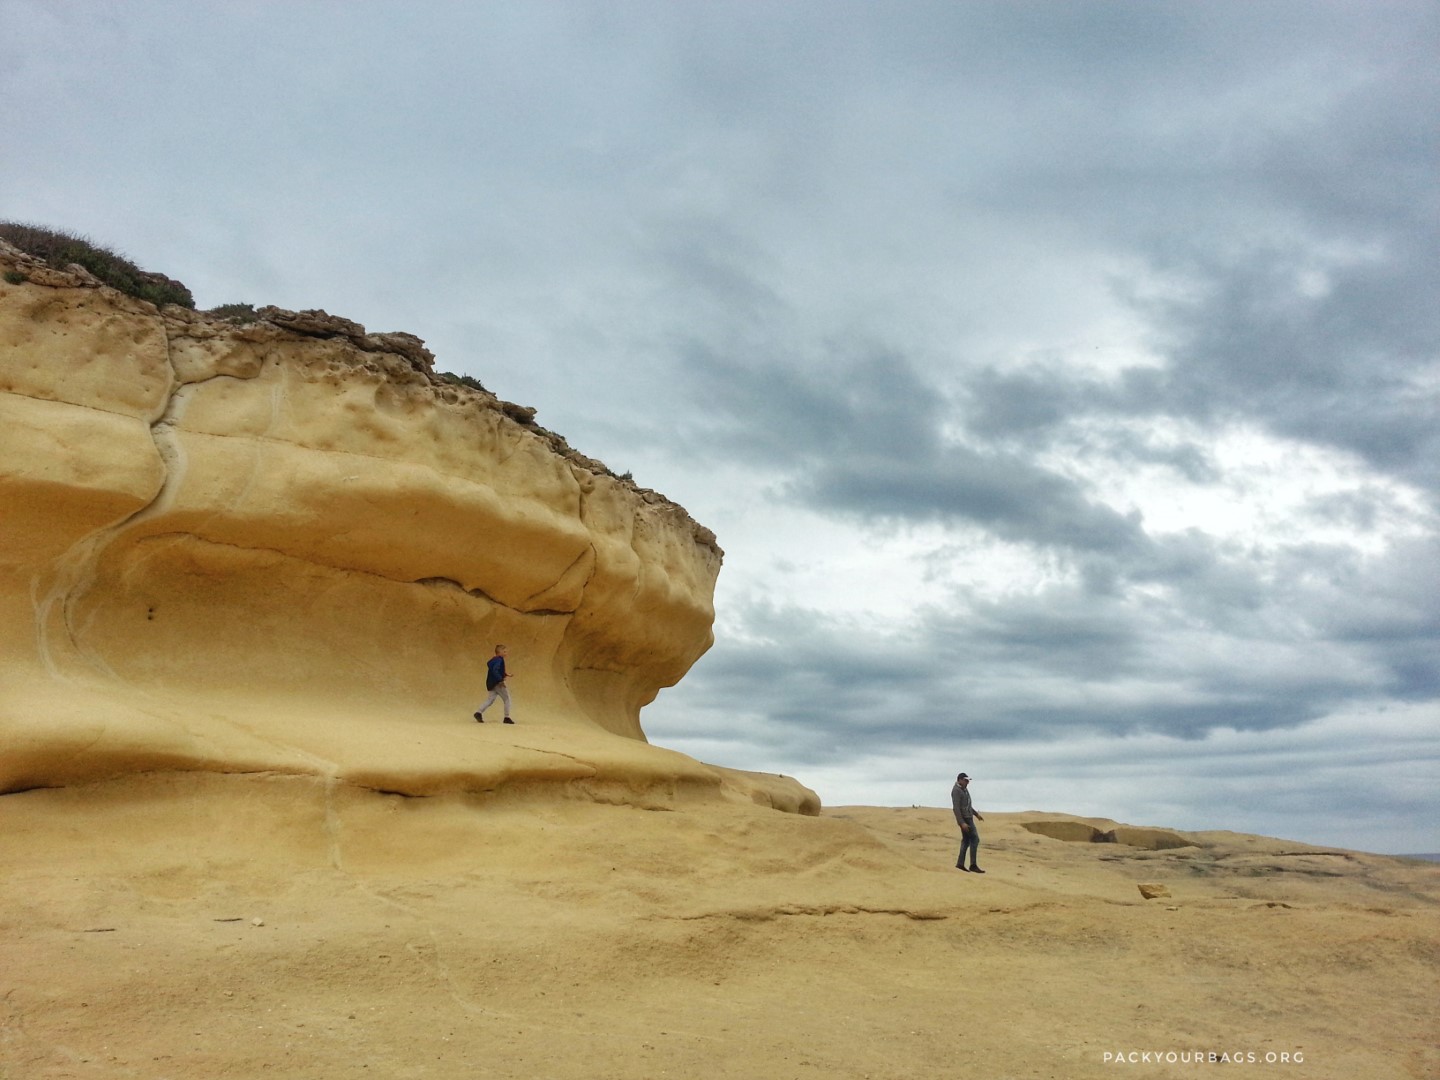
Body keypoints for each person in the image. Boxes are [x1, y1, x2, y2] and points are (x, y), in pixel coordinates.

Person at [951, 772, 985, 873]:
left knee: (966, 840)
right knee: (975, 839)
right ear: (960, 780)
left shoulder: (964, 789)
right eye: (966, 780)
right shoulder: (956, 791)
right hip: (965, 819)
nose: (967, 782)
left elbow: (968, 805)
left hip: (969, 817)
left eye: (968, 781)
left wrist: (976, 814)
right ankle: (973, 865)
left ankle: (960, 863)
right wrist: (962, 823)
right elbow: (956, 808)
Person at [474, 644, 515, 724]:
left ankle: (478, 712)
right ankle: (507, 717)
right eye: (504, 651)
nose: (506, 653)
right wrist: (500, 680)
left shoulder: (494, 660)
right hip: (497, 683)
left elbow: (496, 670)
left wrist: (506, 674)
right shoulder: (499, 660)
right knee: (507, 699)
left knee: (490, 700)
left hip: (491, 683)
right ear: (499, 652)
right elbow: (495, 670)